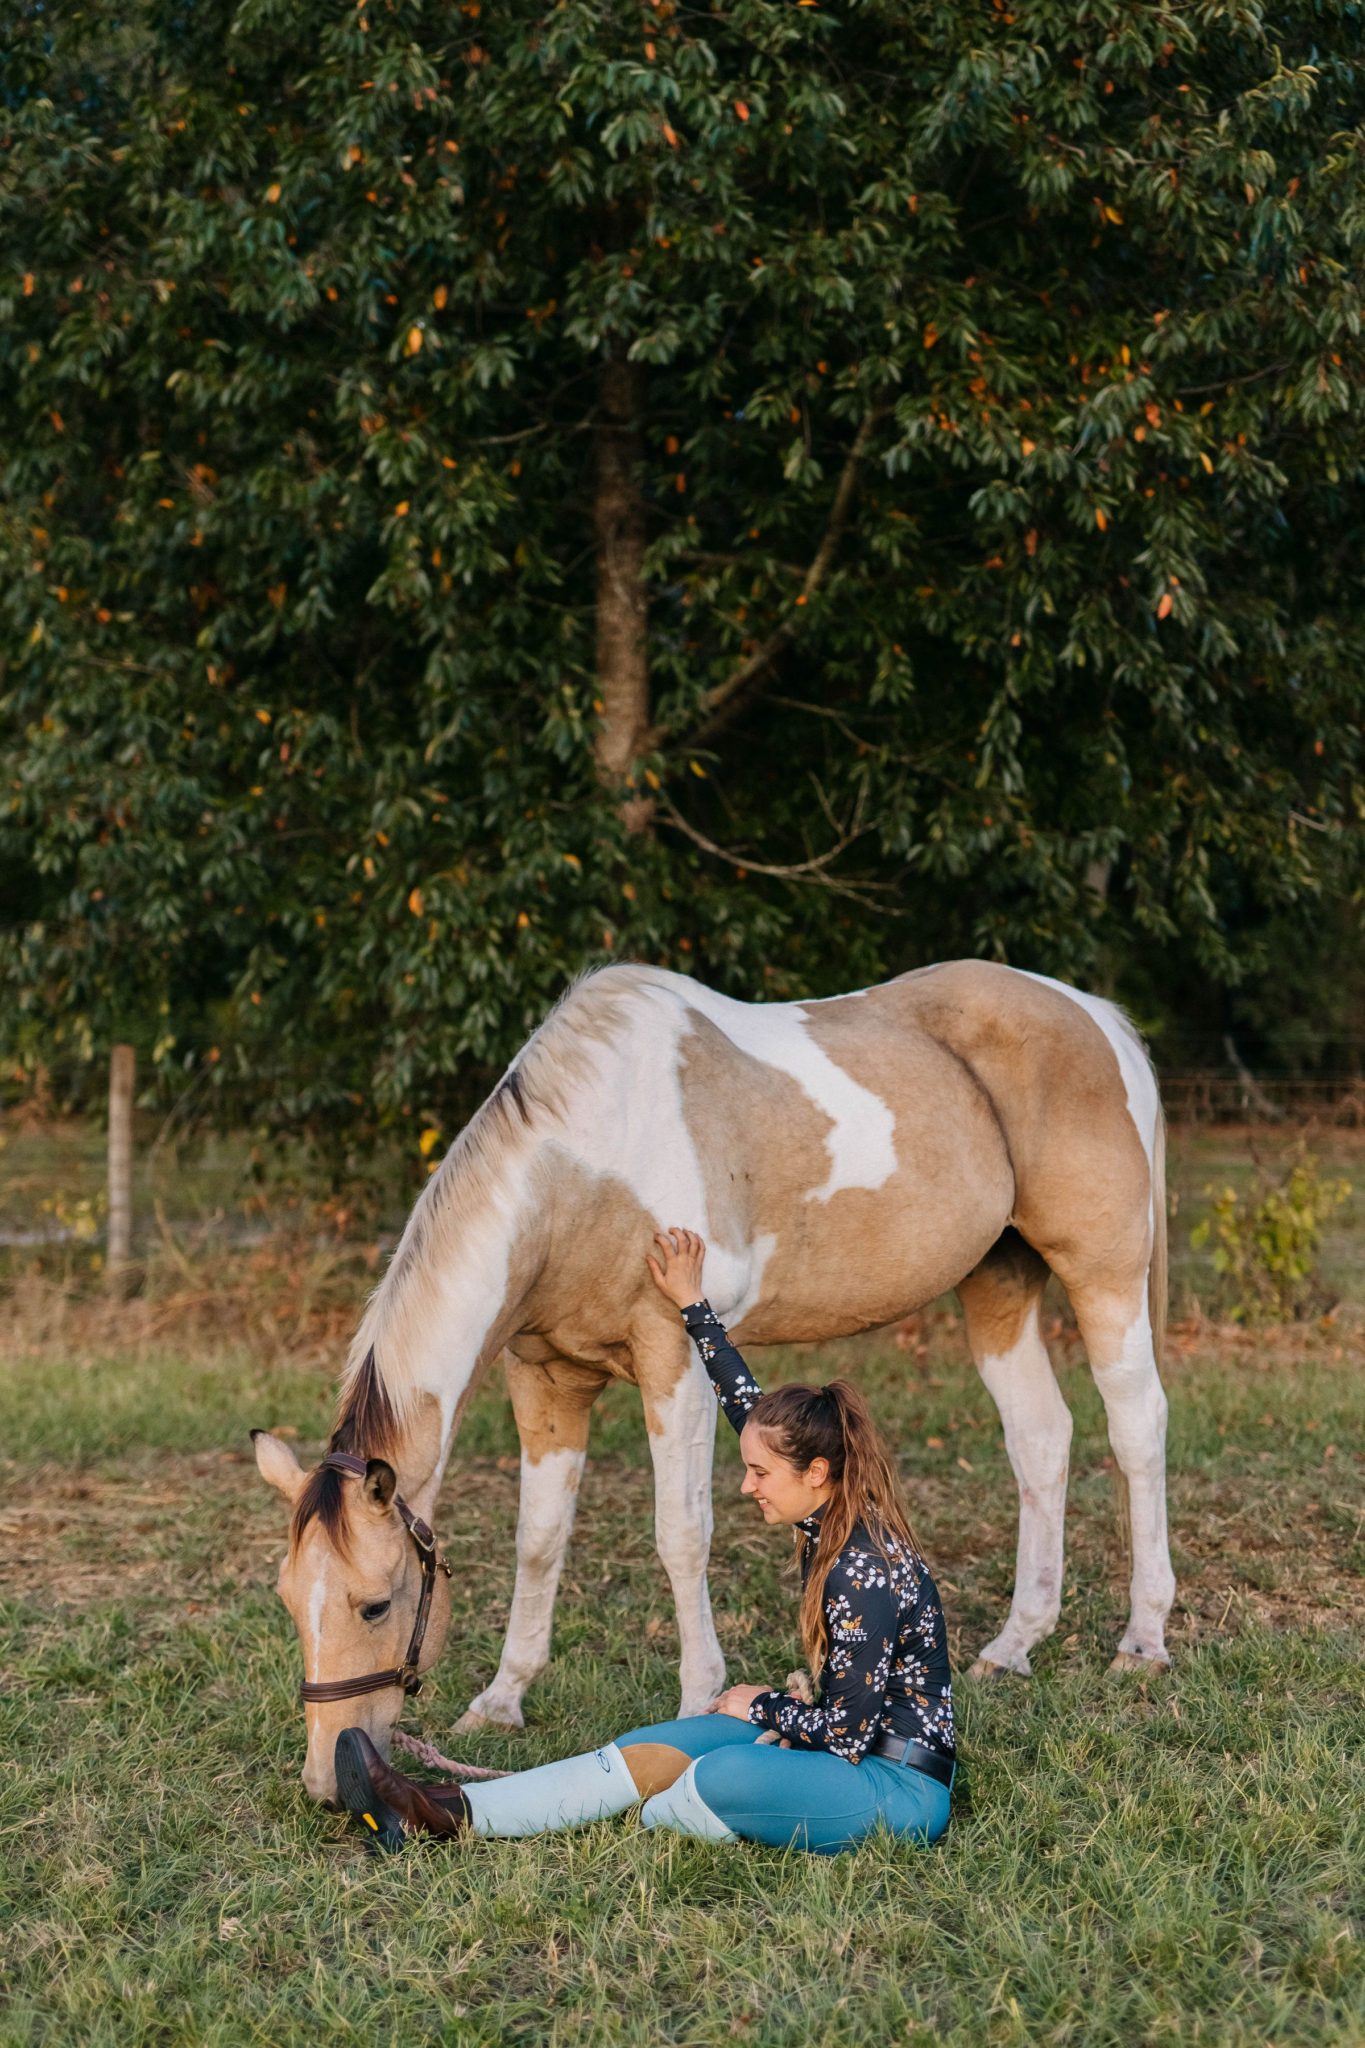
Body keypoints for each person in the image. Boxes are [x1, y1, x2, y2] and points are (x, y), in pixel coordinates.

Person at [334, 1227, 956, 1855]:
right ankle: (438, 1811)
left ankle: (672, 1810)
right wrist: (693, 1303)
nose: (747, 1486)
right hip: (842, 1756)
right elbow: (745, 1404)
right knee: (658, 1745)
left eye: (760, 1475)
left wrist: (766, 1707)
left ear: (815, 1473)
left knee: (717, 1773)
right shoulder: (828, 1500)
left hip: (895, 1787)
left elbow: (846, 1735)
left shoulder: (862, 1568)